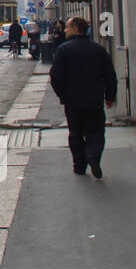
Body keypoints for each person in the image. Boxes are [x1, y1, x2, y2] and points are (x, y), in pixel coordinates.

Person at [49, 16, 117, 179]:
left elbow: (56, 76)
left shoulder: (64, 50)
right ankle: (93, 155)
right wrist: (110, 96)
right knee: (96, 131)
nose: (64, 30)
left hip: (73, 101)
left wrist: (63, 95)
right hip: (94, 100)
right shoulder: (98, 49)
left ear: (75, 29)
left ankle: (79, 166)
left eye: (67, 27)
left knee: (76, 133)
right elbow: (110, 75)